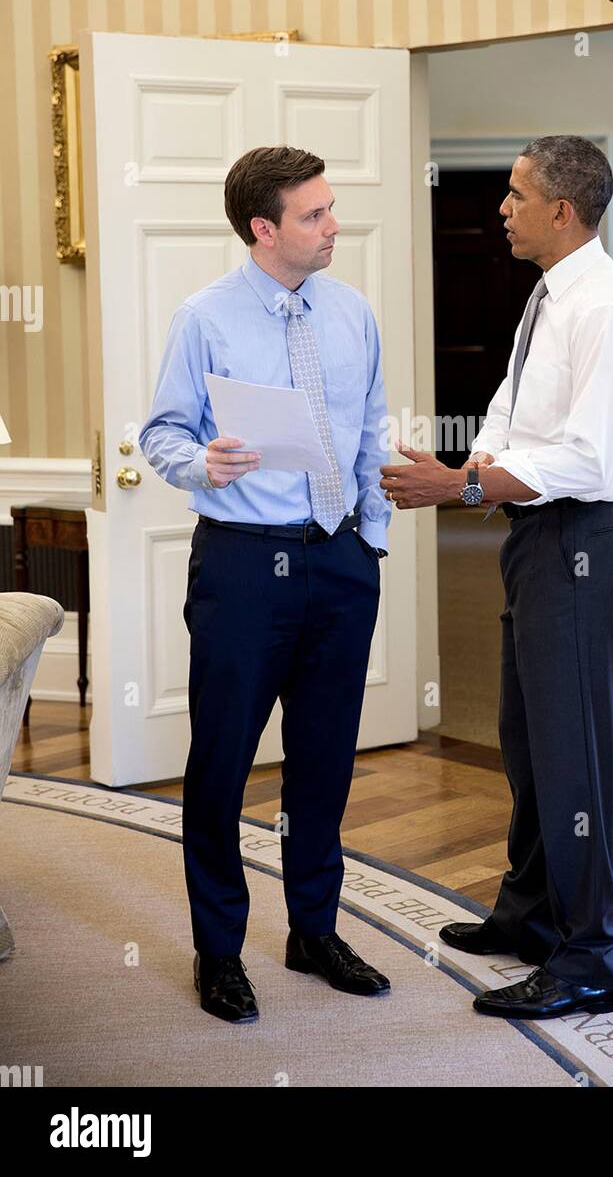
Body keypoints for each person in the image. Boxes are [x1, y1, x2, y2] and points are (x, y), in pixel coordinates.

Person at [380, 135, 613, 1021]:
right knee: (528, 740)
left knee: (576, 756)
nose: (502, 208)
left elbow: (582, 458)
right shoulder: (549, 297)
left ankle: (589, 959)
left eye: (515, 194)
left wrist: (457, 486)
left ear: (563, 211)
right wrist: (467, 466)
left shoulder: (608, 310)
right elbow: (514, 414)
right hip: (539, 541)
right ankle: (532, 914)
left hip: (587, 541)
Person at [140, 145, 392, 1024]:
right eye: (314, 214)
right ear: (264, 228)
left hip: (339, 561)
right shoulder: (203, 318)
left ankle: (313, 932)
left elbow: (372, 432)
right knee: (221, 766)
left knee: (323, 764)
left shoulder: (353, 312)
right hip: (245, 567)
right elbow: (161, 433)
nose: (333, 226)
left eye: (330, 209)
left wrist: (372, 546)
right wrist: (201, 462)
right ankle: (219, 952)